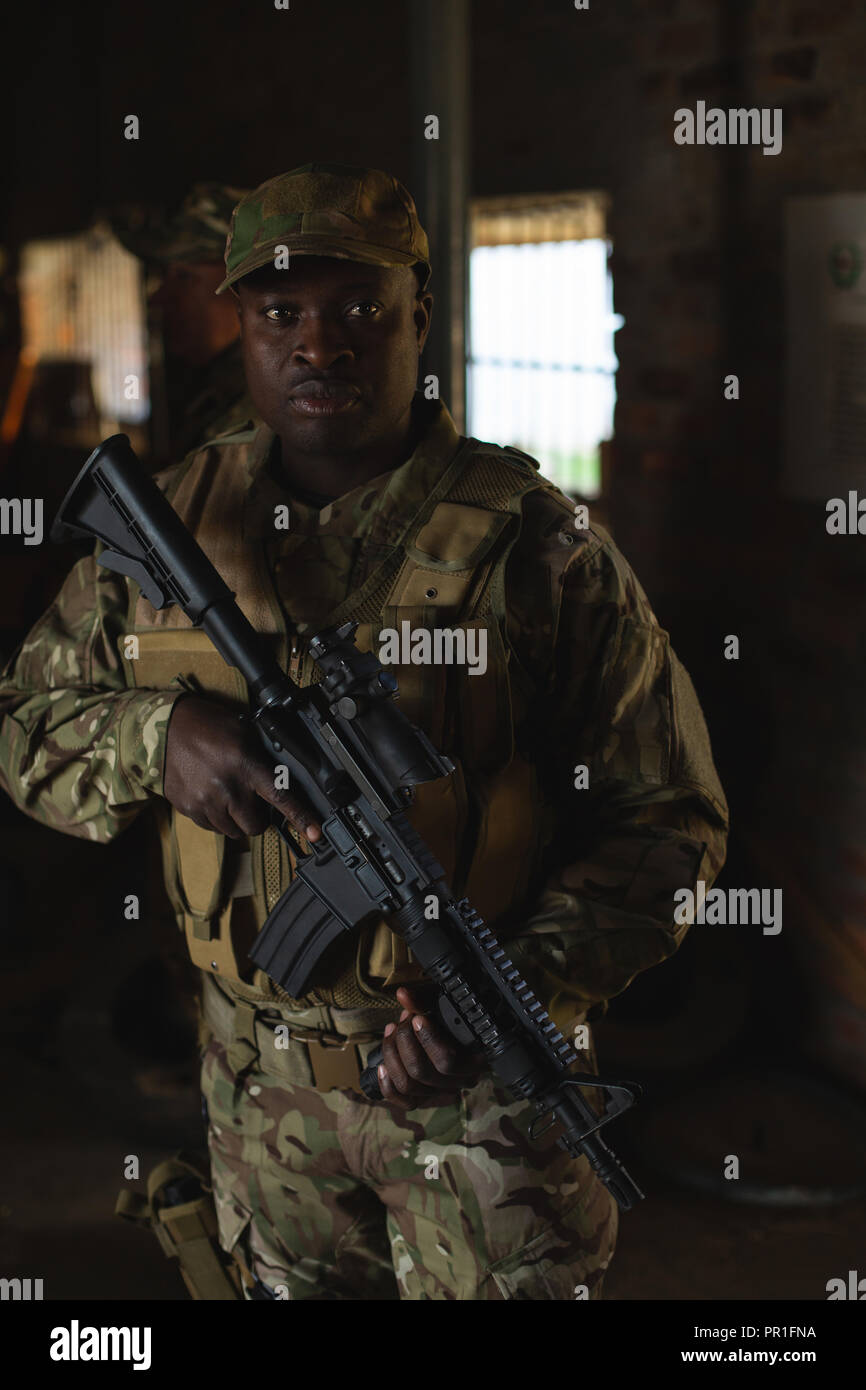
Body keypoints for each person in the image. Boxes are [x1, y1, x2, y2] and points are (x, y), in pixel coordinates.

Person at [0, 162, 728, 1300]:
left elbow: (671, 819)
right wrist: (160, 736)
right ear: (239, 325)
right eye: (281, 312)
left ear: (418, 321)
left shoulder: (536, 548)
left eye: (358, 310)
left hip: (480, 1111)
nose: (318, 345)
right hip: (257, 1107)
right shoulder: (171, 524)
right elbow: (27, 735)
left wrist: (521, 988)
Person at [113, 182, 255, 459]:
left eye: (184, 277)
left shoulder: (275, 413)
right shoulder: (224, 393)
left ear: (245, 284)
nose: (158, 299)